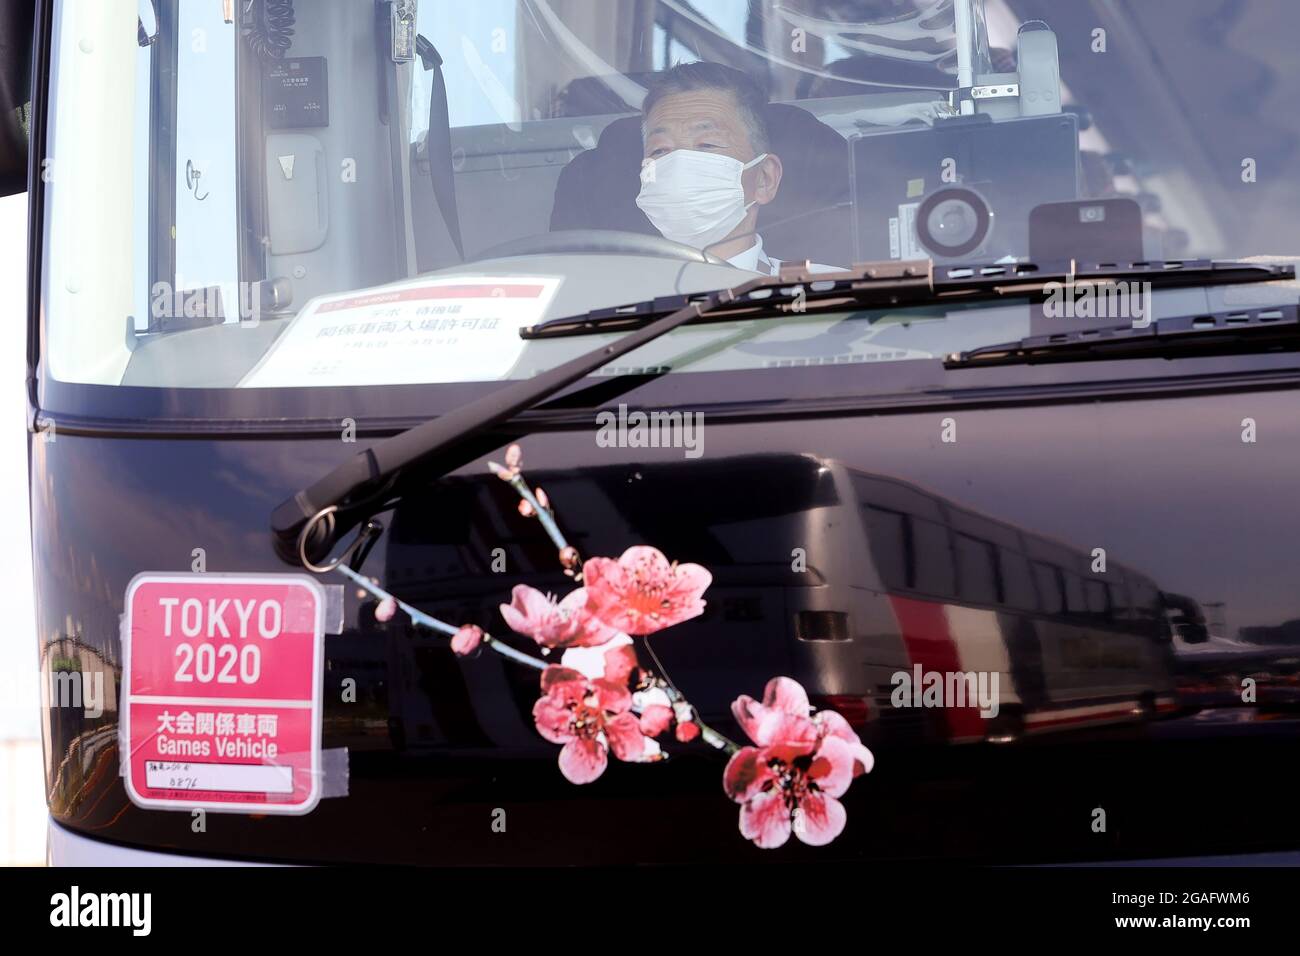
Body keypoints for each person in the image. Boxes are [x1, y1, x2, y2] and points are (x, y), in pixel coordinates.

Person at [634, 62, 841, 275]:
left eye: (707, 145)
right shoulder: (606, 295)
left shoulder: (830, 291)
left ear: (764, 179)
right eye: (659, 150)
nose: (678, 165)